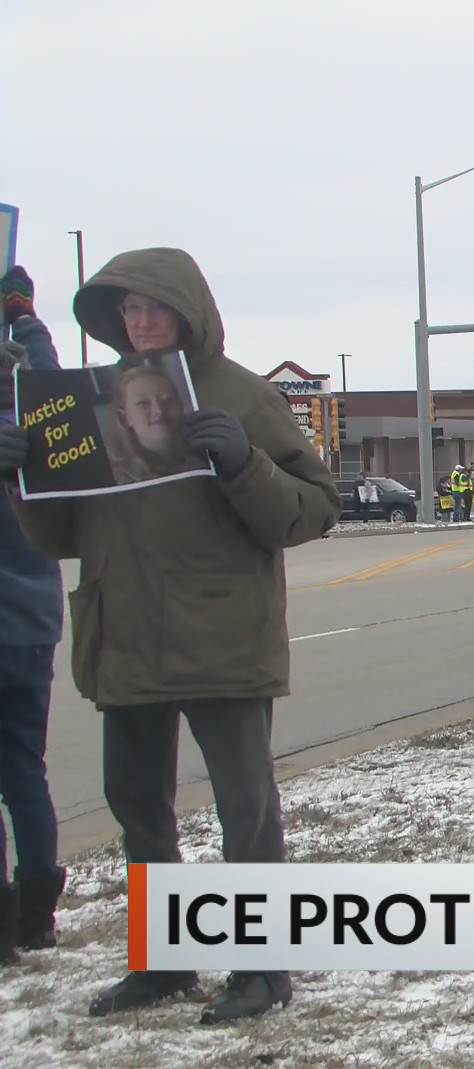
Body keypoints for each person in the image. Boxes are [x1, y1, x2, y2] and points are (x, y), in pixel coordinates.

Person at [8, 248, 340, 1021]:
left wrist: (243, 463)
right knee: (137, 808)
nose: (141, 321)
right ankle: (163, 964)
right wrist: (21, 481)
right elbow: (63, 534)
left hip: (223, 637)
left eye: (153, 307)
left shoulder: (242, 395)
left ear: (189, 309)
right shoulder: (93, 402)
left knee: (245, 810)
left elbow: (314, 509)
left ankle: (263, 970)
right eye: (127, 311)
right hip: (124, 634)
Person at [0, 267, 67, 963]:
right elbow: (48, 384)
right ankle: (39, 909)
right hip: (33, 619)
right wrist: (25, 318)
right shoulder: (42, 441)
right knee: (24, 770)